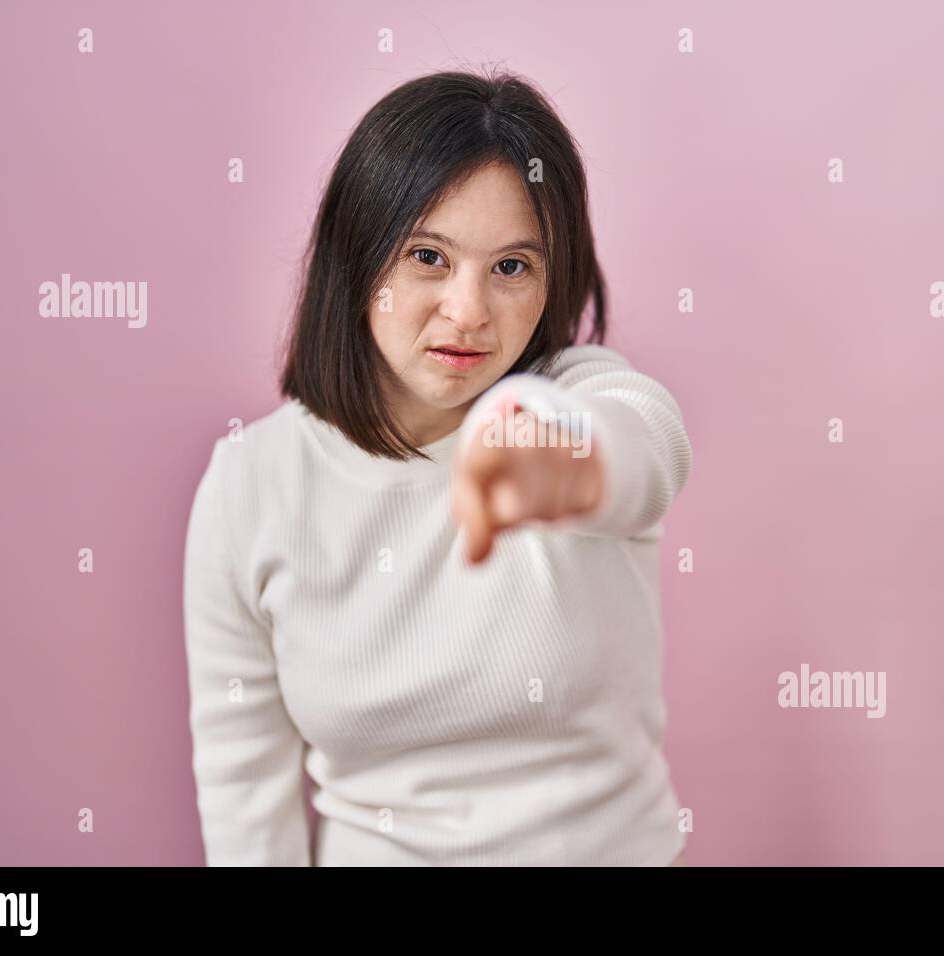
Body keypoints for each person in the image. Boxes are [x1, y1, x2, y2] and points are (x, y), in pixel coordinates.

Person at [183, 68, 692, 866]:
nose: (468, 311)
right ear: (357, 258)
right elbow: (245, 790)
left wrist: (549, 462)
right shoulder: (251, 484)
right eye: (428, 256)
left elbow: (646, 445)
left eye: (512, 267)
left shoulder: (578, 397)